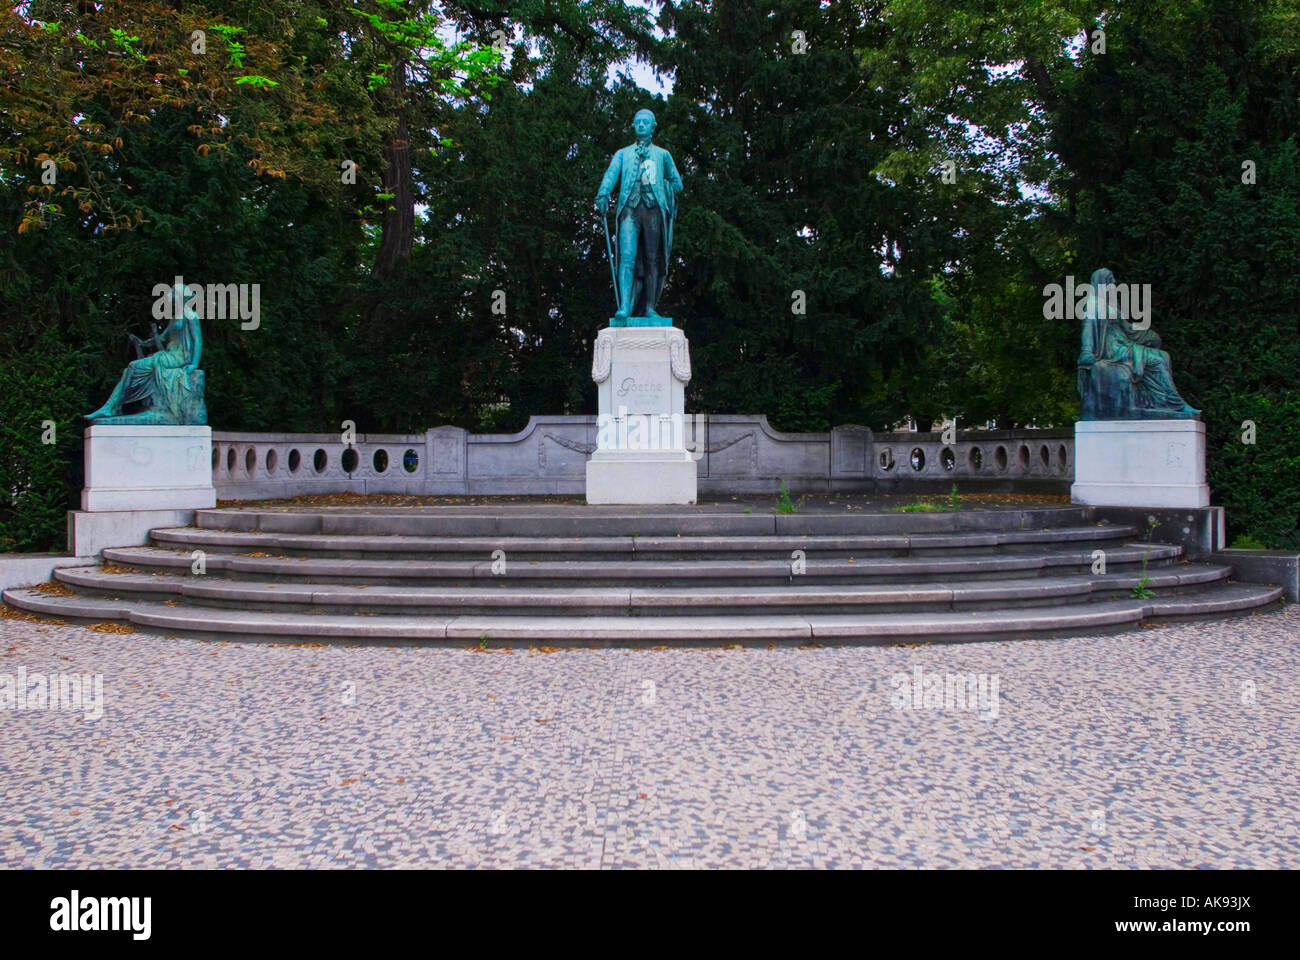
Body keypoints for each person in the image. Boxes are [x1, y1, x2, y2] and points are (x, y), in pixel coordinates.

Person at [595, 108, 684, 319]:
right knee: (626, 257)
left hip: (654, 212)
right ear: (634, 126)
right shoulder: (622, 154)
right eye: (638, 122)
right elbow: (610, 174)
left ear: (653, 127)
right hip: (629, 211)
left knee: (652, 259)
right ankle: (625, 306)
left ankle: (650, 307)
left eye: (646, 122)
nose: (642, 124)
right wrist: (603, 193)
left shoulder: (662, 155)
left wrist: (661, 185)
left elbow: (677, 184)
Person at [1078, 268, 1198, 418]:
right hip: (1114, 350)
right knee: (1158, 359)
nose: (1114, 283)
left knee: (1163, 357)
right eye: (1111, 280)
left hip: (1124, 345)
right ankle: (1175, 404)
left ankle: (1168, 403)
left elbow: (1128, 329)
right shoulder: (1093, 304)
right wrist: (1087, 351)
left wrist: (1148, 334)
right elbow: (1088, 330)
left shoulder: (1111, 305)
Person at [86, 282, 206, 424]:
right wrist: (143, 343)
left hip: (177, 358)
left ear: (179, 296)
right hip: (168, 356)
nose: (168, 296)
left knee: (133, 366)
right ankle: (110, 407)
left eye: (172, 293)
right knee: (130, 369)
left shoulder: (191, 316)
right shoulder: (175, 318)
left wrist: (193, 364)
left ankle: (112, 407)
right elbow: (161, 338)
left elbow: (198, 341)